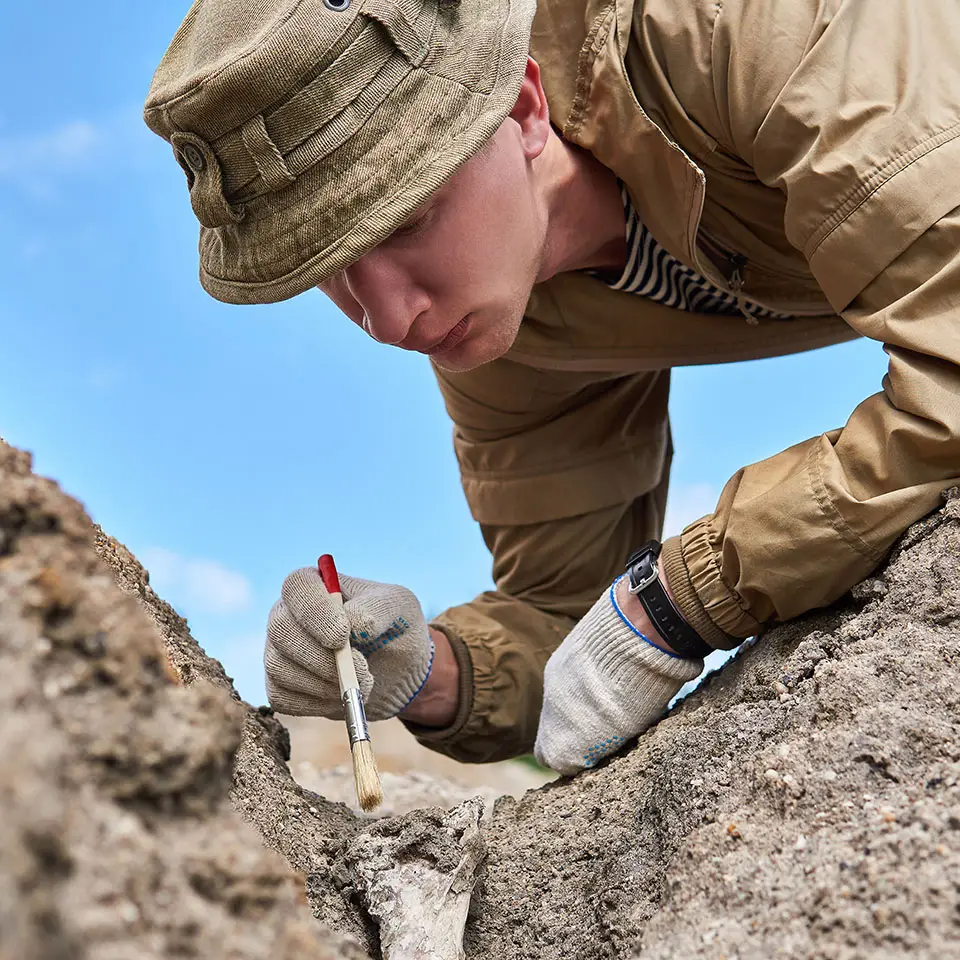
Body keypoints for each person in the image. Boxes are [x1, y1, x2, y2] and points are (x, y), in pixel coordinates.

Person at [145, 0, 960, 774]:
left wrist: (696, 588)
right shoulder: (499, 331)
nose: (387, 321)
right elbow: (579, 626)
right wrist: (422, 669)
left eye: (404, 221)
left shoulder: (732, 32)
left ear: (525, 108)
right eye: (330, 269)